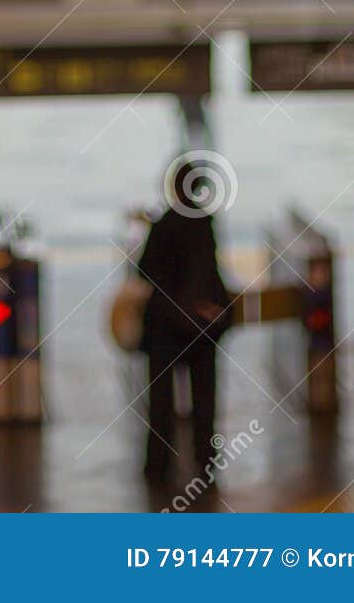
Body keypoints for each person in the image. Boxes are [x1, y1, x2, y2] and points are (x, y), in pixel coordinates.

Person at [136, 158, 233, 482]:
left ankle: (158, 465)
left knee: (161, 401)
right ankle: (205, 462)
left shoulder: (163, 224)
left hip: (165, 327)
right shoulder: (205, 224)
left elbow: (144, 270)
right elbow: (211, 272)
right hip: (202, 328)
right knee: (204, 399)